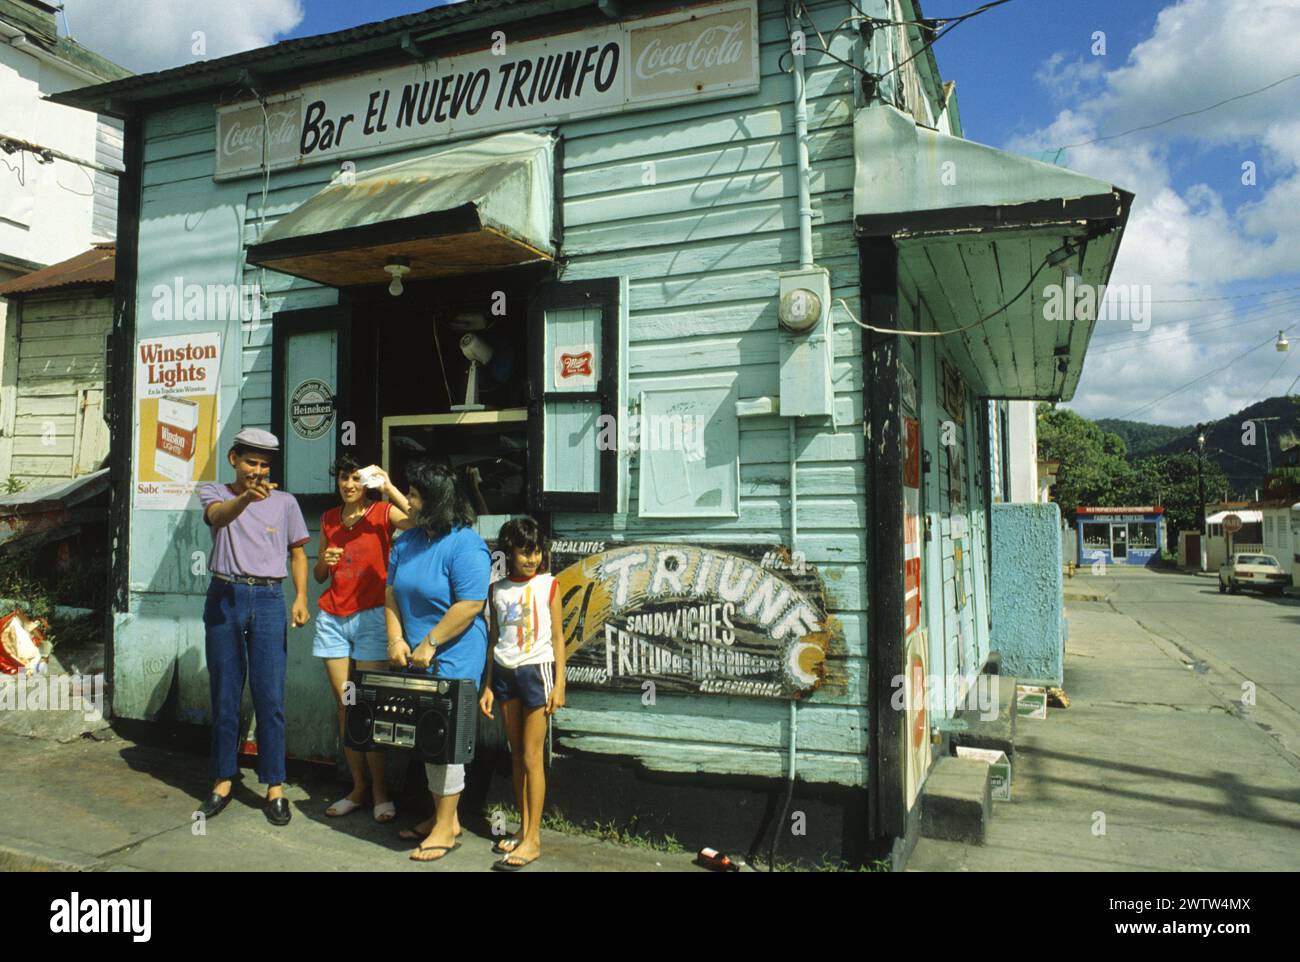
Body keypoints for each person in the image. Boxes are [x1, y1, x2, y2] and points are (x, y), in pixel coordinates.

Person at [195, 428, 310, 827]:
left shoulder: (286, 502)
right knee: (225, 693)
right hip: (225, 595)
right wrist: (244, 498)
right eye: (250, 463)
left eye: (264, 464)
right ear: (233, 460)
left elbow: (299, 553)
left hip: (268, 598)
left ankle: (274, 786)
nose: (257, 472)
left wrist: (300, 597)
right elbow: (218, 518)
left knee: (270, 695)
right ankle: (224, 778)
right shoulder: (216, 492)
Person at [384, 460, 491, 862]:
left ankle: (446, 826)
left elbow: (470, 604)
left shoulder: (465, 544)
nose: (406, 501)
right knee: (427, 737)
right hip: (416, 655)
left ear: (435, 502)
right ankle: (442, 817)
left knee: (444, 740)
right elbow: (391, 594)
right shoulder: (406, 542)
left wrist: (430, 642)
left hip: (455, 654)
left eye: (413, 495)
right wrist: (396, 637)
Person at [313, 455, 413, 822]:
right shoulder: (327, 519)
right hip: (334, 618)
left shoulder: (383, 513)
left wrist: (389, 487)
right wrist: (326, 559)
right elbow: (320, 575)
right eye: (343, 477)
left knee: (371, 704)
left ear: (366, 482)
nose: (349, 484)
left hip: (373, 616)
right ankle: (358, 787)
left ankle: (382, 792)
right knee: (346, 705)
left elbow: (419, 522)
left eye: (355, 478)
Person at [479, 516, 566, 871]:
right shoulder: (496, 589)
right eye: (523, 552)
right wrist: (487, 684)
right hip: (504, 671)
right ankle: (522, 829)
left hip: (536, 671)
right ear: (509, 552)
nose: (530, 559)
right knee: (516, 755)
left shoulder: (549, 584)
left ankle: (534, 838)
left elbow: (560, 638)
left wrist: (559, 683)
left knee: (532, 757)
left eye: (536, 552)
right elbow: (494, 639)